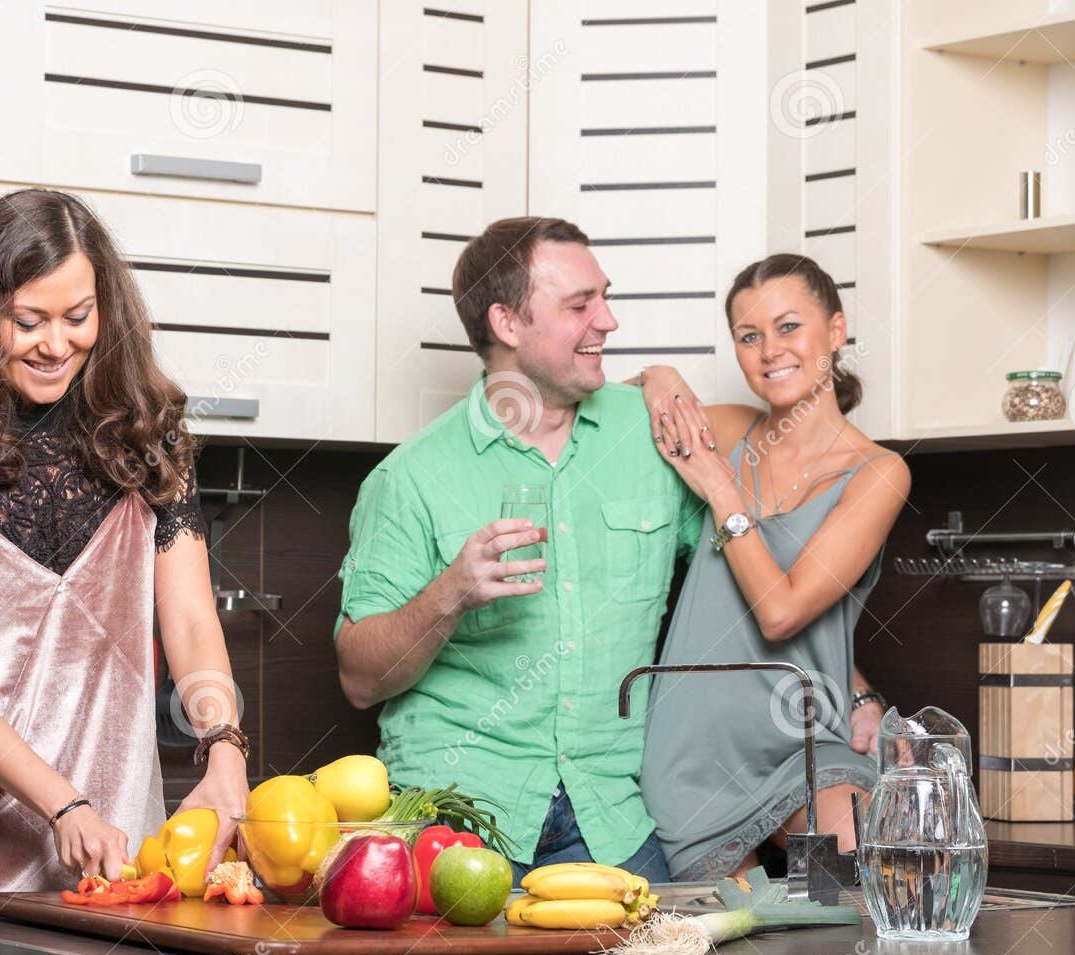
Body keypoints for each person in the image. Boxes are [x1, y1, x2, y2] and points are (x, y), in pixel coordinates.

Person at [334, 218, 883, 882]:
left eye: (605, 296)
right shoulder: (411, 478)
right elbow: (360, 679)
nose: (610, 320)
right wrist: (449, 595)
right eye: (580, 305)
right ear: (507, 323)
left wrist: (856, 694)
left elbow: (745, 592)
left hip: (614, 817)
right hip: (455, 817)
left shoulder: (653, 435)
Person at [0, 188, 248, 908]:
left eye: (78, 317)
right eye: (28, 321)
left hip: (120, 852)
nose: (56, 343)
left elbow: (193, 620)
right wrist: (63, 804)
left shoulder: (149, 436)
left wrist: (223, 747)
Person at [638, 253, 910, 881]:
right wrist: (659, 375)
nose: (769, 352)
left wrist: (718, 486)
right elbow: (617, 402)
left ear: (835, 332)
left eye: (789, 327)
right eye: (749, 336)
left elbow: (783, 612)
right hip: (689, 755)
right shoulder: (729, 431)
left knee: (845, 908)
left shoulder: (876, 473)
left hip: (806, 744)